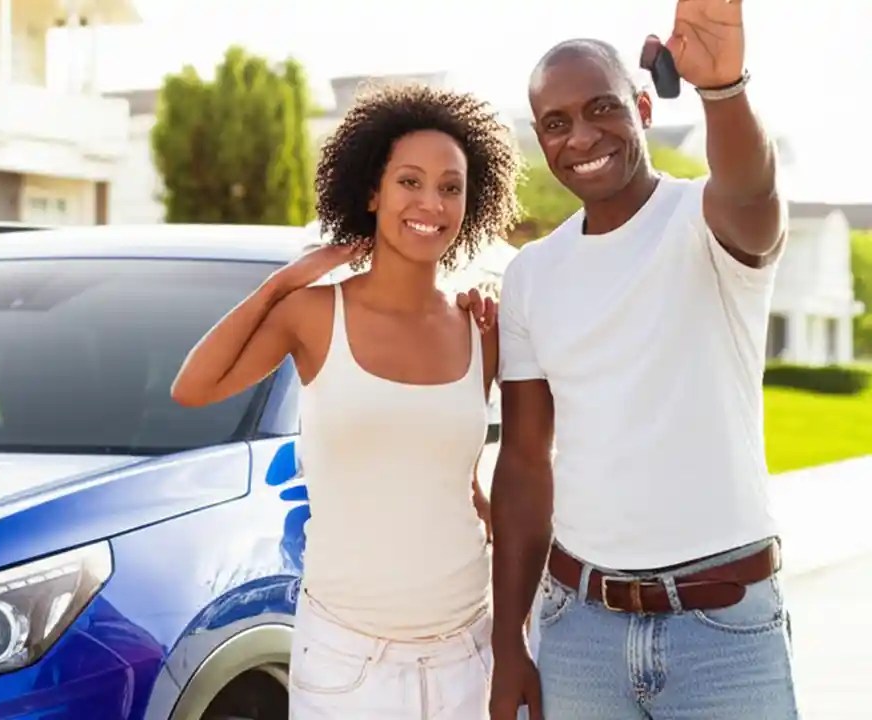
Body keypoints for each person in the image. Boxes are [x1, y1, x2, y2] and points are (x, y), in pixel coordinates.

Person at [170, 82, 521, 718]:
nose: (430, 203)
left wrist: (515, 622)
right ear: (371, 192)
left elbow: (458, 480)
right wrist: (282, 283)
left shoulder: (480, 330)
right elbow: (194, 387)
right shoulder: (312, 315)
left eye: (450, 187)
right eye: (409, 181)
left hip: (467, 649)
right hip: (348, 660)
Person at [487, 3, 796, 719]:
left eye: (602, 108)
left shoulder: (707, 221)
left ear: (645, 108)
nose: (581, 137)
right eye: (556, 123)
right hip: (579, 631)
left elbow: (753, 191)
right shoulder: (534, 272)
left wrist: (724, 91)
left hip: (724, 633)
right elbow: (526, 464)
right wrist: (510, 642)